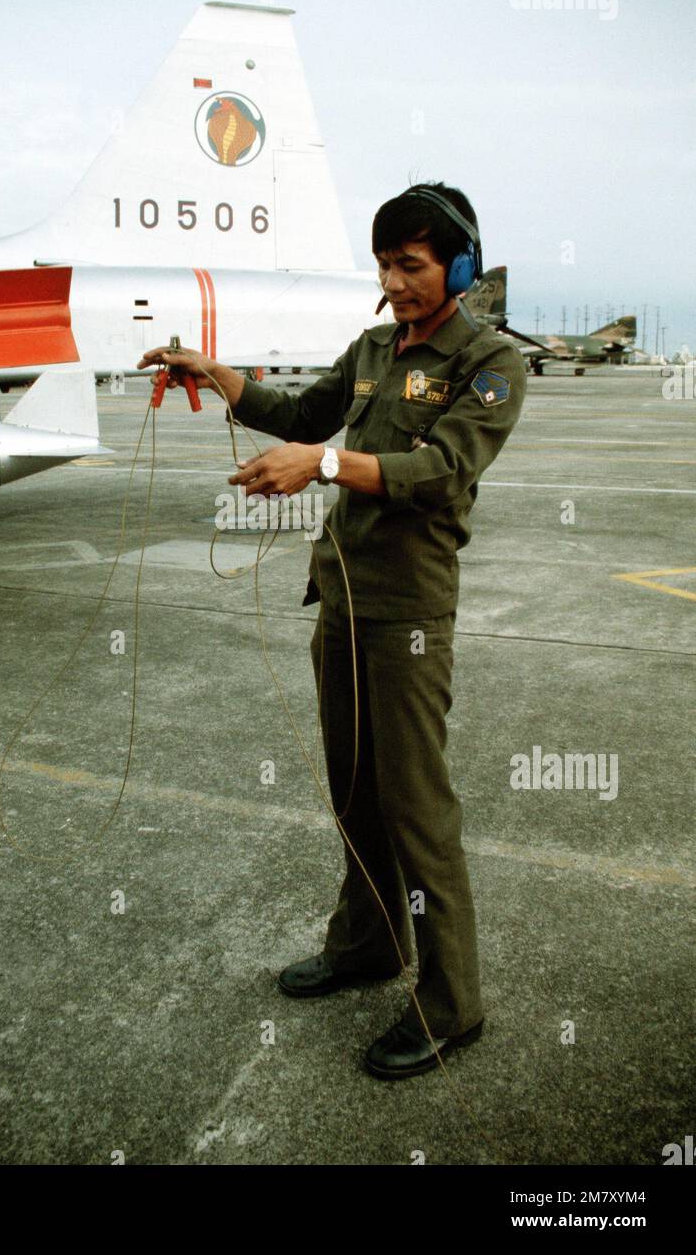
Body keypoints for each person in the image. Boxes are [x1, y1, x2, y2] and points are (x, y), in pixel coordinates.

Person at [138, 183, 526, 1079]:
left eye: (413, 266)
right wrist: (216, 371)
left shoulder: (491, 361)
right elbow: (304, 414)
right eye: (385, 264)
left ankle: (450, 1003)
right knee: (353, 791)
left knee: (415, 810)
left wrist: (320, 464)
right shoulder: (375, 346)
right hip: (342, 599)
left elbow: (439, 468)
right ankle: (367, 943)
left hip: (408, 614)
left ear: (458, 268)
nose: (394, 282)